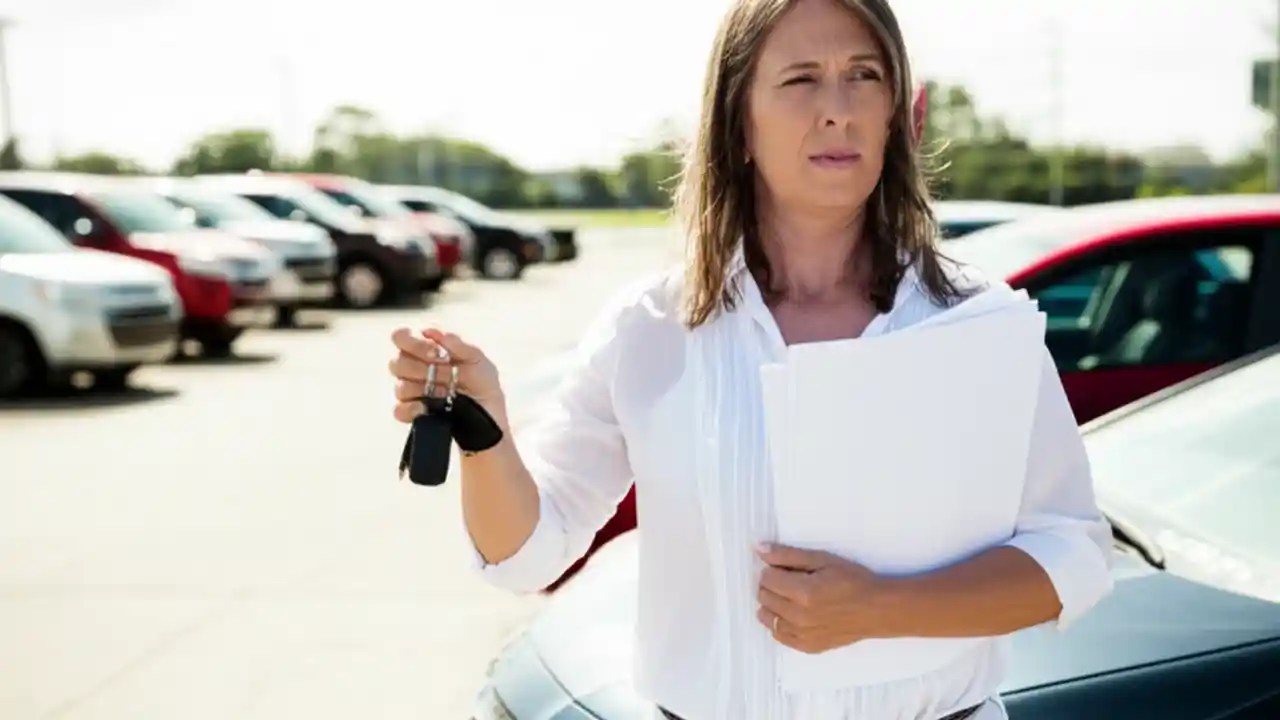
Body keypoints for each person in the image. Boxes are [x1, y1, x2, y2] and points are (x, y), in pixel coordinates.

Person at [388, 0, 1114, 717]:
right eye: (801, 79)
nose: (838, 108)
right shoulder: (651, 329)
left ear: (897, 113)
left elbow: (1072, 557)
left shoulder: (977, 325)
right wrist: (486, 435)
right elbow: (528, 554)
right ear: (738, 124)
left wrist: (884, 607)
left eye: (864, 74)